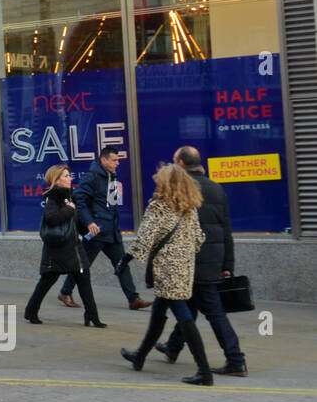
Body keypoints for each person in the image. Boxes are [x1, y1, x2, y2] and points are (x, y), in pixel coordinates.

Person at [154, 146, 248, 376]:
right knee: (191, 305)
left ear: (182, 164)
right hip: (213, 261)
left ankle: (236, 360)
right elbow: (226, 231)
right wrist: (227, 265)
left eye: (175, 160)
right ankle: (173, 347)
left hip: (189, 259)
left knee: (212, 310)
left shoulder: (179, 189)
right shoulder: (216, 189)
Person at [119, 164, 212, 385]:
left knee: (184, 317)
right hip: (184, 268)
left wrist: (125, 260)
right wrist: (184, 253)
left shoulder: (159, 206)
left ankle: (205, 372)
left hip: (166, 270)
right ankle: (140, 356)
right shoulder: (190, 207)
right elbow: (199, 238)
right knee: (159, 312)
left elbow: (145, 237)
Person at [58, 146, 152, 311]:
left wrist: (116, 227)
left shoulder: (113, 177)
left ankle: (133, 299)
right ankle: (65, 292)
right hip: (96, 232)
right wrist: (89, 222)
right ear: (103, 160)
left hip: (112, 232)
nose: (117, 163)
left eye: (118, 160)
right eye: (114, 160)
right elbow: (78, 199)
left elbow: (113, 205)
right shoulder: (91, 177)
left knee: (122, 264)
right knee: (83, 265)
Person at [24, 165, 106, 327]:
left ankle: (92, 316)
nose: (70, 178)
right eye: (66, 176)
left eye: (69, 175)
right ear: (57, 179)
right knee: (47, 280)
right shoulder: (52, 197)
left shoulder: (70, 196)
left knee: (84, 280)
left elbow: (73, 221)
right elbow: (52, 218)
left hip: (74, 247)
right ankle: (31, 311)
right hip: (58, 249)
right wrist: (69, 209)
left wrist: (88, 227)